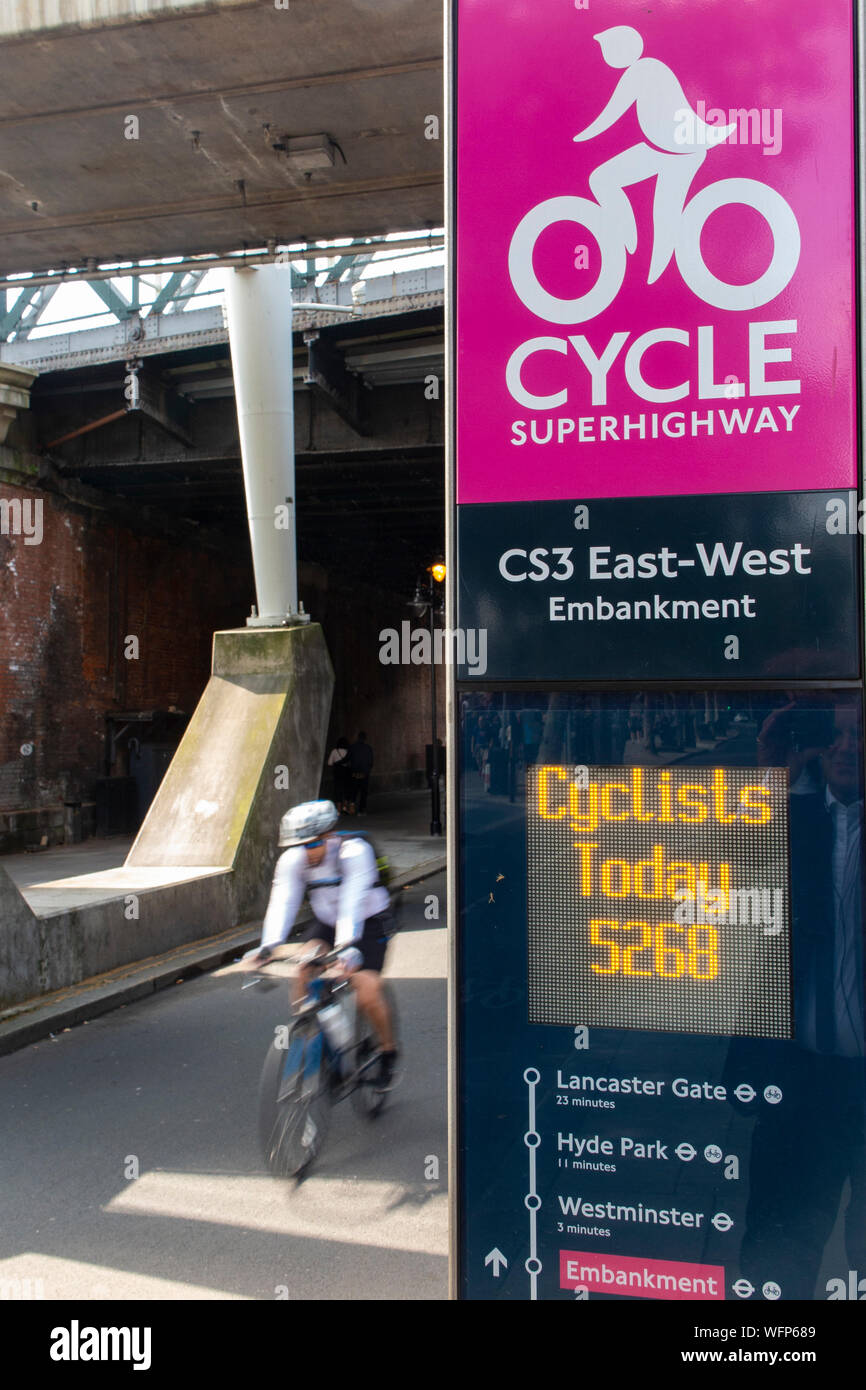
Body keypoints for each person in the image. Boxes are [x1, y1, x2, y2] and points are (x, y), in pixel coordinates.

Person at [243, 799, 399, 1088]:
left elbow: (353, 900)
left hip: (368, 920)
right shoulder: (294, 859)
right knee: (304, 968)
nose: (305, 853)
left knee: (365, 986)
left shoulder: (354, 852)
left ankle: (388, 1051)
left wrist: (346, 947)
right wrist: (268, 947)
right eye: (297, 845)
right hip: (326, 921)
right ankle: (312, 1031)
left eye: (311, 845)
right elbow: (283, 901)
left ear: (329, 836)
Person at [347, 731, 374, 815]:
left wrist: (338, 762)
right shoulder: (368, 748)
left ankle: (352, 807)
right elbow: (371, 761)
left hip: (354, 772)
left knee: (354, 790)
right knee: (363, 792)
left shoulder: (352, 747)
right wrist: (368, 770)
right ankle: (361, 810)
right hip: (364, 773)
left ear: (357, 737)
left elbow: (347, 758)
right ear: (365, 738)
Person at [326, 735, 351, 812]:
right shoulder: (348, 752)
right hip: (347, 772)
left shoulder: (334, 751)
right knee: (346, 789)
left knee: (338, 789)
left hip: (337, 773)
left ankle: (339, 808)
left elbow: (329, 763)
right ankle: (345, 807)